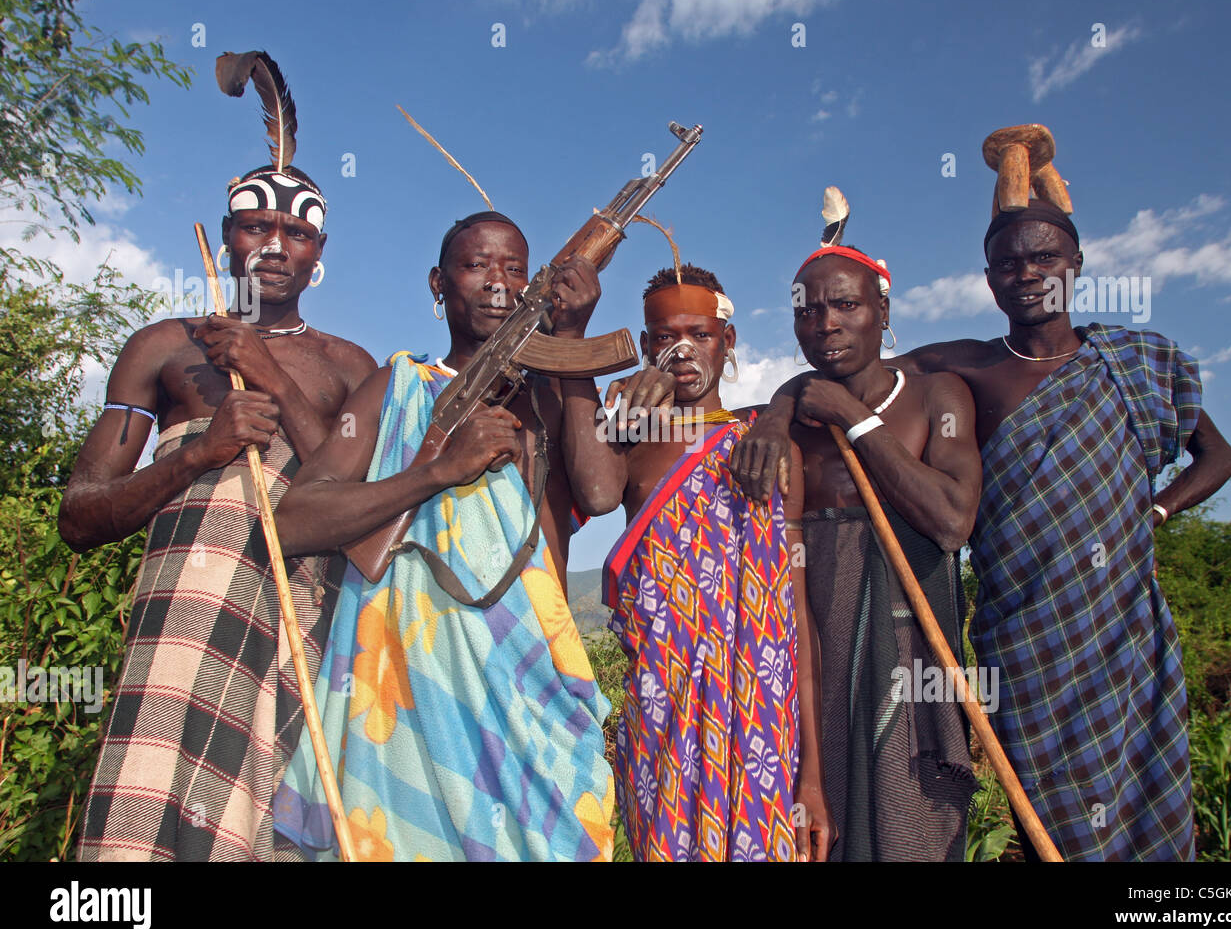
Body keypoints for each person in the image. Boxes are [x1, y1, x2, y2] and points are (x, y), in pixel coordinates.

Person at [735, 201, 1231, 860]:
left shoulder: (1127, 363)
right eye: (1008, 263)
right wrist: (776, 412)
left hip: (1125, 624)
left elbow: (1220, 455)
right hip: (1025, 631)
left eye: (1045, 258)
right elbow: (835, 366)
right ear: (988, 278)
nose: (1027, 273)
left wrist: (1156, 512)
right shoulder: (966, 366)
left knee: (1152, 795)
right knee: (1050, 813)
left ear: (1076, 266)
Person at [270, 212, 618, 861]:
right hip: (405, 690)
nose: (497, 283)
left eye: (516, 270)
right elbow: (293, 521)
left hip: (529, 684)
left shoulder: (550, 395)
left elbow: (600, 492)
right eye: (476, 265)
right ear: (438, 283)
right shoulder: (397, 386)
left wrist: (574, 344)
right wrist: (436, 473)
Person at [59, 159, 377, 860]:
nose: (274, 244)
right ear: (226, 234)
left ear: (319, 252)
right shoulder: (165, 347)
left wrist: (271, 378)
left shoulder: (353, 368)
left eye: (296, 232)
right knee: (143, 824)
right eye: (257, 225)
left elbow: (362, 510)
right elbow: (79, 517)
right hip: (179, 630)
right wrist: (199, 455)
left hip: (298, 632)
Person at [732, 245, 982, 860]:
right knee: (821, 817)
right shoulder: (781, 427)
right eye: (808, 312)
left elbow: (951, 522)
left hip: (905, 651)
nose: (826, 324)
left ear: (882, 308)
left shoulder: (936, 397)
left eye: (845, 304)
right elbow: (693, 426)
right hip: (809, 650)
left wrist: (854, 418)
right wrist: (776, 411)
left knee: (910, 816)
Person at [581, 263, 832, 861]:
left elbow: (796, 616)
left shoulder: (766, 443)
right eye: (665, 338)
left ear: (729, 342)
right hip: (660, 709)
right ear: (645, 347)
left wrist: (814, 779)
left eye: (700, 334)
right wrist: (613, 405)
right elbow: (588, 492)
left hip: (761, 720)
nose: (683, 350)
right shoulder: (628, 442)